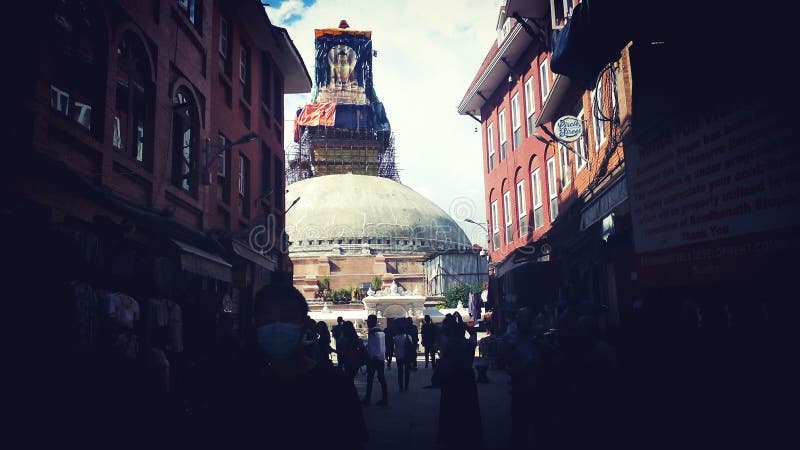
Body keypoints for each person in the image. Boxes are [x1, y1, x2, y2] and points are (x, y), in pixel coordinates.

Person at [201, 284, 368, 449]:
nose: (277, 326)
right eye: (267, 319)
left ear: (304, 324)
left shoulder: (335, 385)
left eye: (287, 318)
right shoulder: (236, 388)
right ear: (255, 324)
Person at [436, 317, 482, 450]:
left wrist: (448, 327)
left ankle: (449, 435)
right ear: (463, 332)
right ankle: (469, 434)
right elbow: (473, 334)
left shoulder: (447, 344)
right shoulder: (469, 343)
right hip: (467, 377)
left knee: (450, 407)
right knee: (468, 407)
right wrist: (464, 326)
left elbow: (439, 336)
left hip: (451, 377)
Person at [362, 314, 388, 406]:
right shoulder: (381, 332)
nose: (367, 323)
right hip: (380, 358)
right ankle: (385, 398)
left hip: (373, 359)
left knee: (370, 380)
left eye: (368, 321)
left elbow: (372, 348)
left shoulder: (373, 333)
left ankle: (368, 398)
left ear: (372, 321)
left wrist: (369, 357)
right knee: (381, 378)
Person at [392, 322, 413, 392]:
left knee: (400, 372)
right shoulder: (408, 336)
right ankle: (406, 386)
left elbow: (394, 345)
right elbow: (411, 346)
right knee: (407, 372)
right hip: (406, 356)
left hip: (398, 356)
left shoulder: (395, 337)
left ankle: (400, 386)